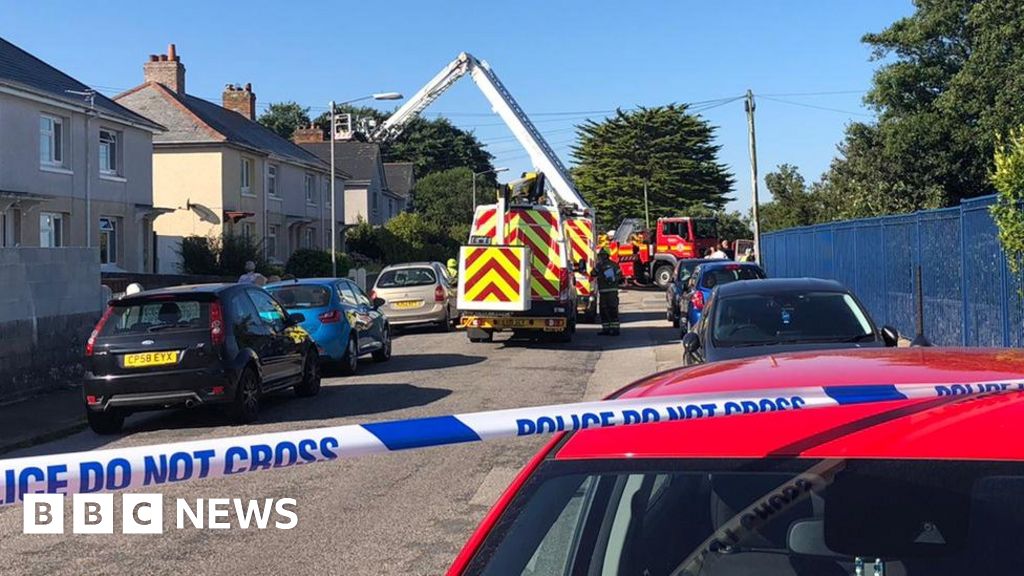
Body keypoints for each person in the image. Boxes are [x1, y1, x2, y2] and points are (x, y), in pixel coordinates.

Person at [590, 248, 622, 336]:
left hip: (604, 292)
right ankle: (613, 329)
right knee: (612, 310)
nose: (601, 257)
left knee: (605, 310)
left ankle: (609, 329)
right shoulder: (614, 265)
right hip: (612, 292)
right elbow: (620, 276)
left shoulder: (599, 266)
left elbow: (592, 273)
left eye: (601, 255)